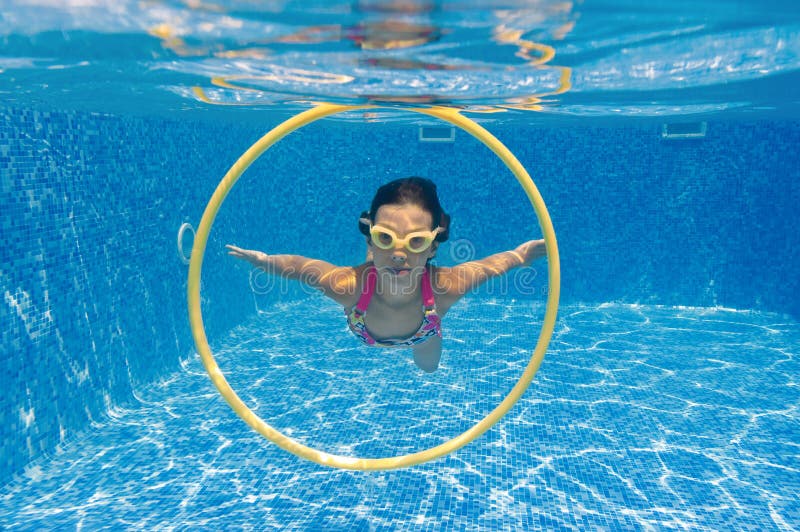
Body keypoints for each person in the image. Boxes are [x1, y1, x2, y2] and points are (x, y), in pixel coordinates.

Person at [226, 176, 546, 373]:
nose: (399, 251)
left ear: (433, 247)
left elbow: (496, 265)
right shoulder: (347, 285)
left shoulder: (446, 286)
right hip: (365, 317)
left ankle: (385, 247)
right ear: (369, 237)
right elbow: (298, 267)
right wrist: (265, 260)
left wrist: (524, 254)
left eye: (416, 241)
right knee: (381, 267)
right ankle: (380, 247)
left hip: (423, 332)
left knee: (429, 369)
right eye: (384, 238)